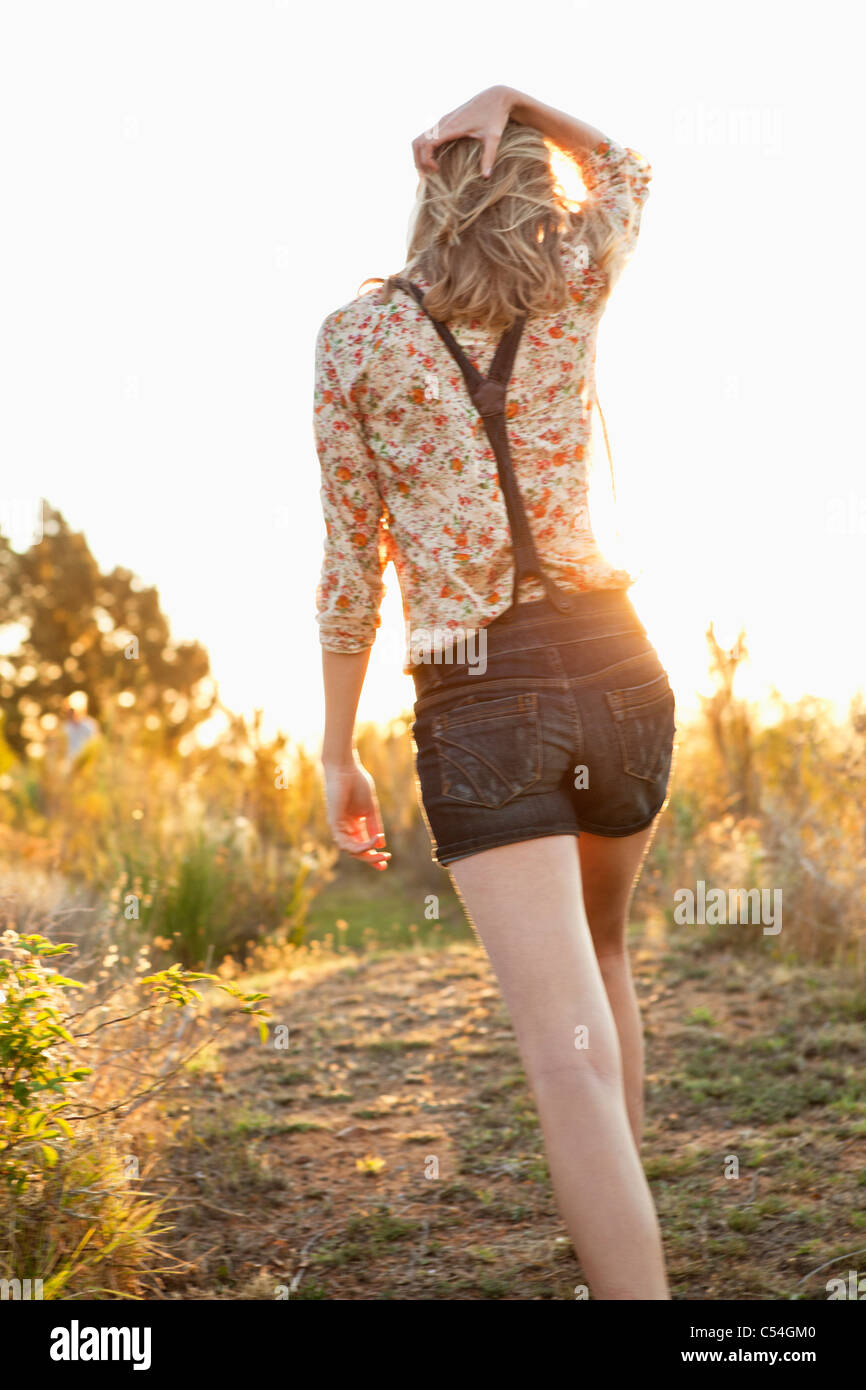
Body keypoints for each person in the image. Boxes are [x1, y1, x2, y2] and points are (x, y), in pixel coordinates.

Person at [314, 85, 675, 1300]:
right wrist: (519, 97)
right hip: (619, 667)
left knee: (561, 1056)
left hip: (478, 695)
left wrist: (335, 749)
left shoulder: (355, 339)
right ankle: (620, 1244)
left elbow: (350, 565)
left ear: (429, 182)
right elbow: (627, 166)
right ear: (526, 187)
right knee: (605, 950)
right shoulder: (569, 282)